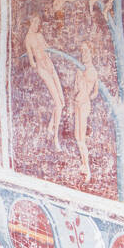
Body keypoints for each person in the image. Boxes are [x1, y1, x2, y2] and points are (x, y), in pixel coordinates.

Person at [23, 14, 65, 151]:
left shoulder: (39, 36)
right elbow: (31, 61)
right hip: (43, 70)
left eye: (38, 23)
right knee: (58, 104)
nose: (37, 25)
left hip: (50, 66)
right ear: (31, 22)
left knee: (62, 103)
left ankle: (50, 127)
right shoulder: (28, 39)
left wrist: (53, 49)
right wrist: (37, 61)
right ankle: (55, 139)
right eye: (35, 22)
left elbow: (48, 48)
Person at [74, 43, 100, 181]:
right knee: (77, 137)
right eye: (82, 51)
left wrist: (86, 97)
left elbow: (91, 91)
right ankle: (83, 164)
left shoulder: (91, 71)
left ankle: (87, 169)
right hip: (78, 103)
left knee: (81, 138)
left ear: (91, 54)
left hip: (83, 105)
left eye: (86, 51)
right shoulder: (83, 70)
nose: (84, 54)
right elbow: (93, 91)